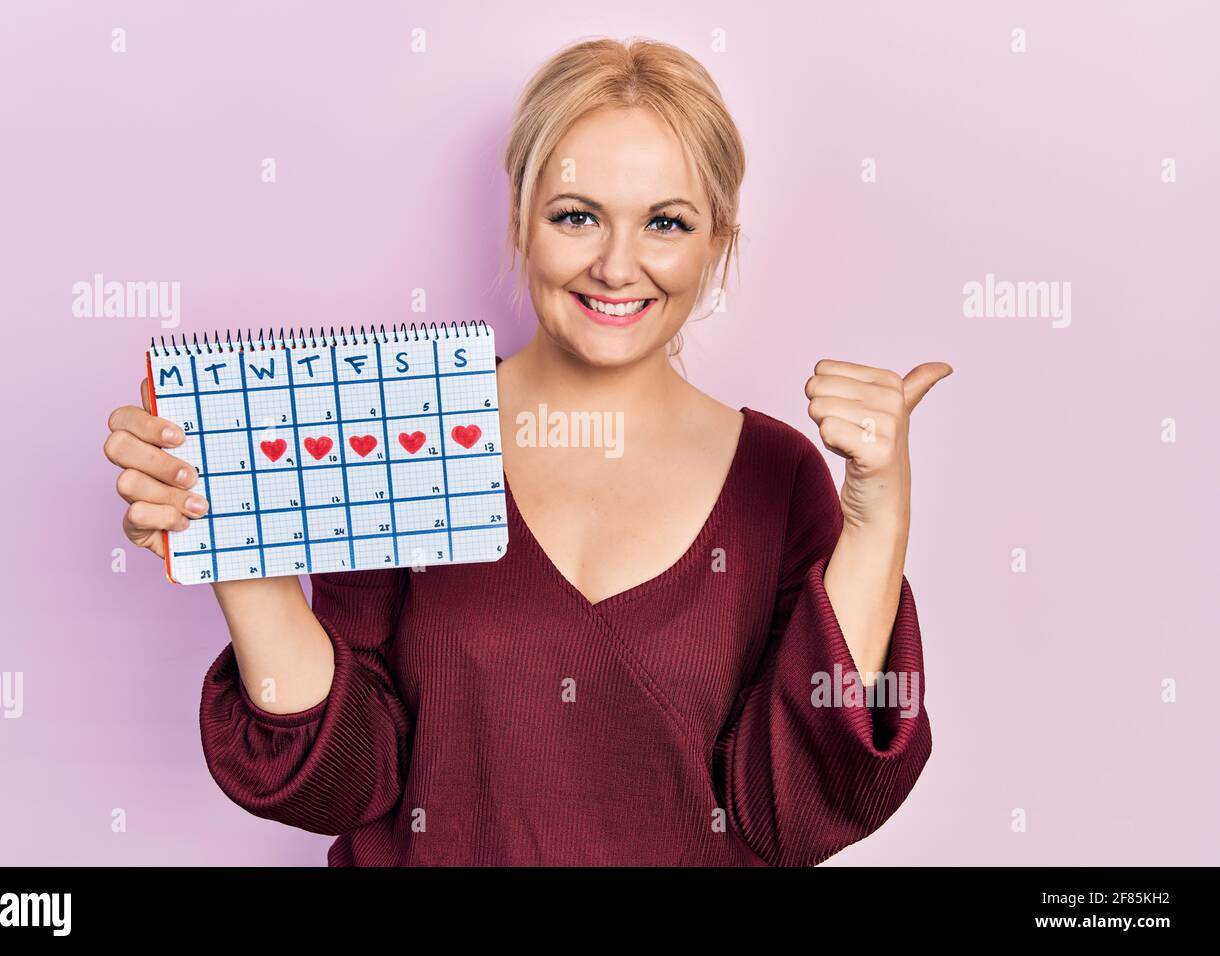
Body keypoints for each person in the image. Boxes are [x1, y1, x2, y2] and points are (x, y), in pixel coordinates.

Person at [104, 36, 951, 866]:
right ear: (520, 220)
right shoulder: (406, 429)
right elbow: (344, 785)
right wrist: (235, 547)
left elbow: (795, 812)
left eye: (665, 222)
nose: (618, 266)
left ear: (717, 243)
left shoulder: (779, 476)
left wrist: (878, 522)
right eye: (577, 216)